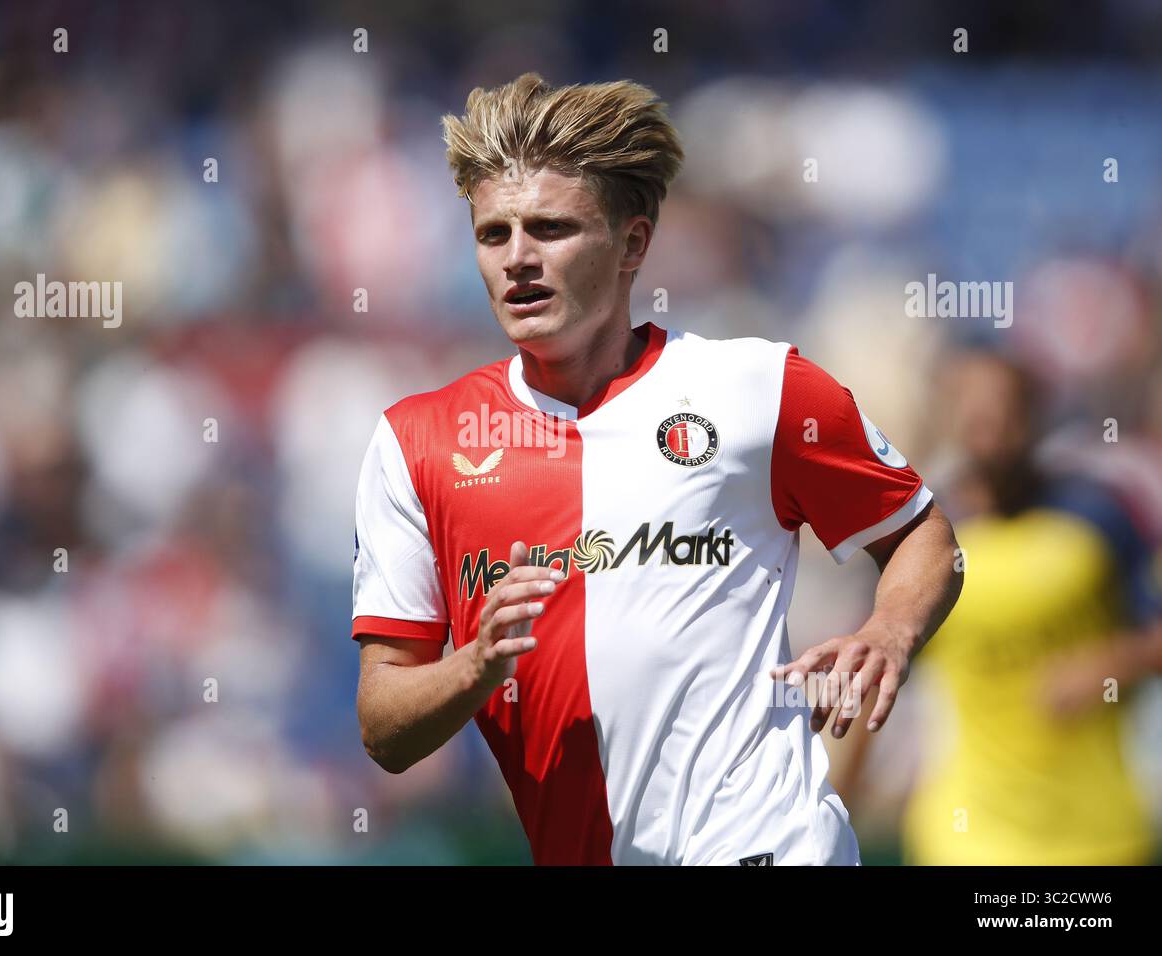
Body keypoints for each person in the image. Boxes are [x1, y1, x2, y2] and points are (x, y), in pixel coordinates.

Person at [350, 73, 962, 865]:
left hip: (769, 846)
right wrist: (474, 666)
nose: (519, 259)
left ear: (632, 244)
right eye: (493, 234)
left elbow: (923, 536)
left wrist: (887, 632)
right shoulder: (416, 442)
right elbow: (383, 728)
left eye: (551, 228)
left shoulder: (760, 388)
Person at [874, 350, 1159, 865]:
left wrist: (1112, 664)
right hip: (965, 837)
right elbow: (873, 668)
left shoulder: (1099, 513)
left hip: (1098, 836)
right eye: (973, 411)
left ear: (1033, 415)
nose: (990, 428)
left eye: (1005, 410)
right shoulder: (921, 537)